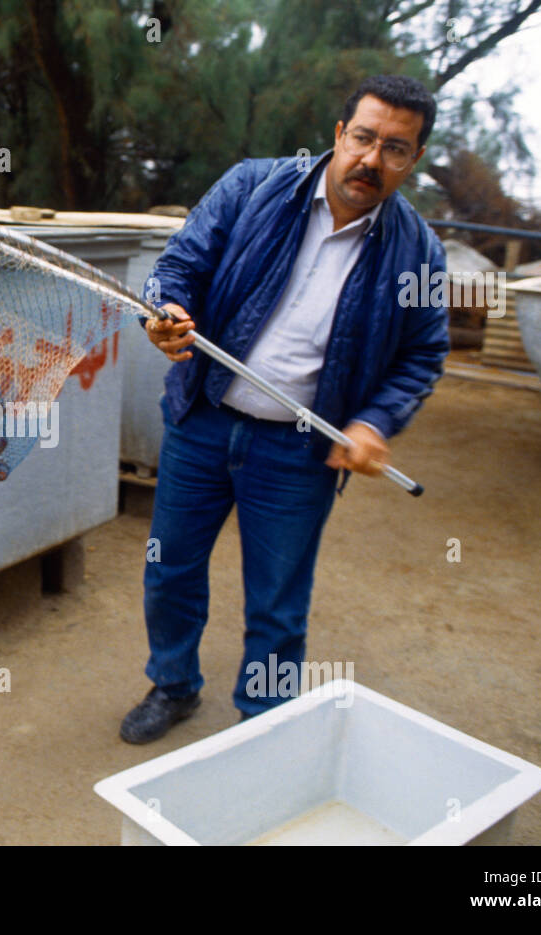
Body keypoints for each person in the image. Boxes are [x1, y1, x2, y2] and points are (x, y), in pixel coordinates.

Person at [120, 74, 450, 743]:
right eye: (362, 137)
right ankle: (174, 684)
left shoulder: (419, 252)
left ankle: (261, 722)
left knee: (278, 600)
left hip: (300, 449)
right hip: (202, 419)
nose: (370, 159)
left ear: (412, 161)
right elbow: (177, 267)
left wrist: (373, 422)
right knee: (171, 566)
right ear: (338, 135)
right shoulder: (252, 187)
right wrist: (168, 311)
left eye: (394, 148)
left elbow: (422, 356)